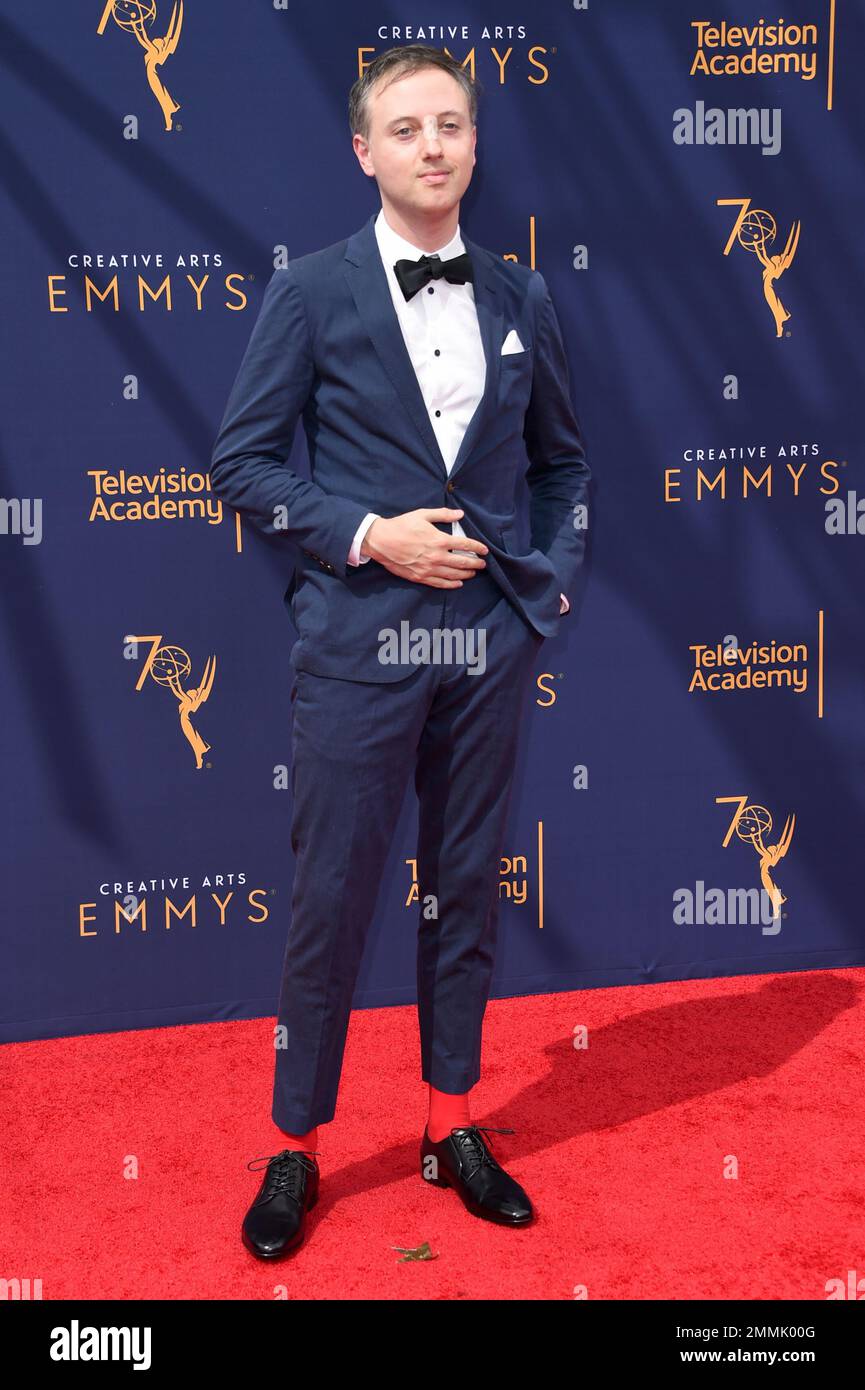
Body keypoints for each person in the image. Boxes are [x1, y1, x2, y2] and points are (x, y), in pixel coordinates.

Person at [209, 43, 591, 1260]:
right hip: (357, 647)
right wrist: (369, 534)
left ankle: (451, 1122)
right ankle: (297, 1146)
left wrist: (543, 593)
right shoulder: (311, 292)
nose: (433, 145)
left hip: (484, 648)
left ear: (475, 146)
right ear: (365, 152)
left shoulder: (524, 297)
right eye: (407, 128)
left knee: (467, 885)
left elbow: (562, 467)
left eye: (452, 125)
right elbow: (245, 464)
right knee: (330, 900)